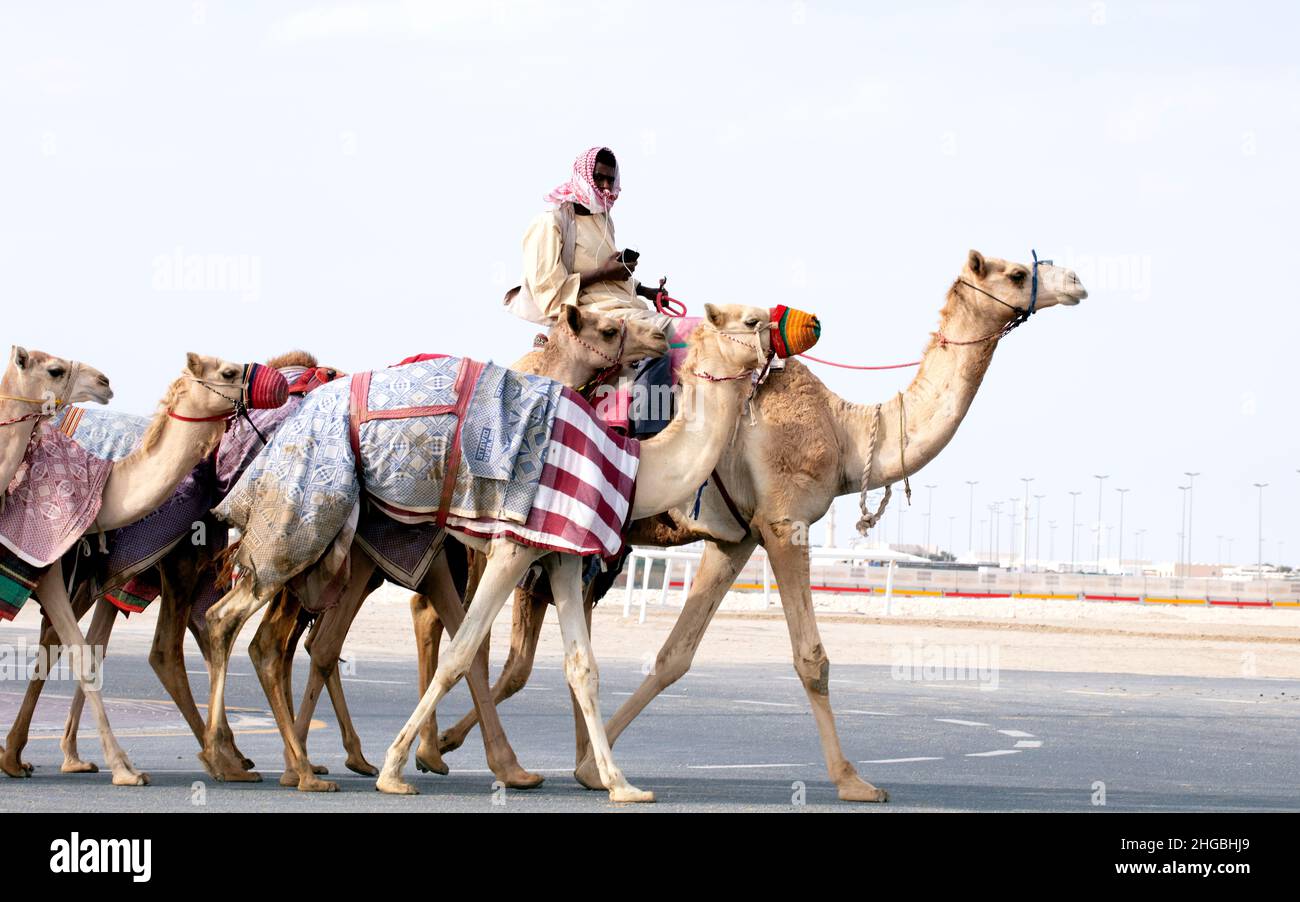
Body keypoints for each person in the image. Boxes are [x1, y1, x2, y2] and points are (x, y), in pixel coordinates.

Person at [507, 146, 674, 433]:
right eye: (600, 179)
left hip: (622, 306)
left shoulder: (603, 219)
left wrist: (646, 291)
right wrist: (603, 273)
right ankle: (651, 433)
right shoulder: (550, 222)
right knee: (662, 339)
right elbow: (548, 289)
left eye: (611, 179)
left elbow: (607, 276)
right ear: (583, 176)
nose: (607, 187)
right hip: (587, 315)